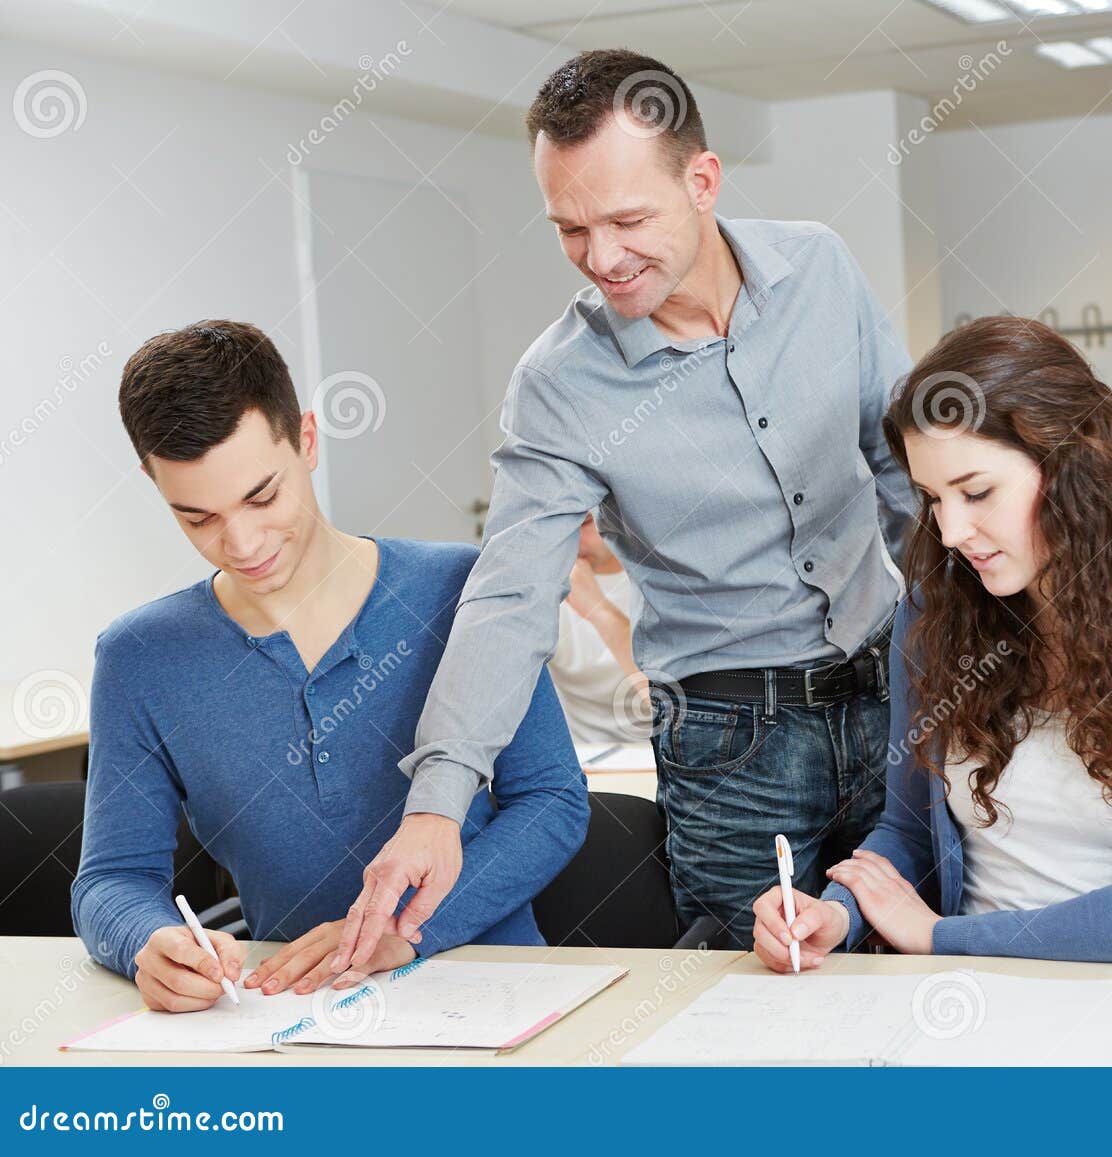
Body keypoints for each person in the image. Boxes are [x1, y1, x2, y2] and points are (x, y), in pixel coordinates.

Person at [336, 48, 915, 965]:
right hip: (734, 747)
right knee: (764, 1010)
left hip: (898, 694)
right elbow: (511, 595)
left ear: (703, 180)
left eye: (627, 219)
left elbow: (904, 473)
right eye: (569, 228)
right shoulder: (561, 384)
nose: (602, 258)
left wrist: (983, 652)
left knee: (930, 973)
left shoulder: (820, 270)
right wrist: (437, 805)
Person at [72, 321, 588, 1013]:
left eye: (263, 497)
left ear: (308, 440)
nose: (243, 542)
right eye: (198, 518)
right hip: (304, 1017)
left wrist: (403, 932)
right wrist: (147, 940)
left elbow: (551, 800)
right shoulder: (140, 657)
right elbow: (110, 879)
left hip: (501, 1000)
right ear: (153, 482)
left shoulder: (460, 592)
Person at [748, 316, 1112, 970]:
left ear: (1074, 466)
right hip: (972, 992)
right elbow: (907, 832)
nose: (951, 531)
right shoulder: (933, 613)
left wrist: (936, 935)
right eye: (933, 497)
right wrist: (838, 912)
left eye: (977, 491)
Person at [548, 513, 649, 744]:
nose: (572, 538)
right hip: (580, 760)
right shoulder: (547, 591)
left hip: (659, 756)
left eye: (583, 524)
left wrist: (600, 611)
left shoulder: (659, 583)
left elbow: (669, 702)